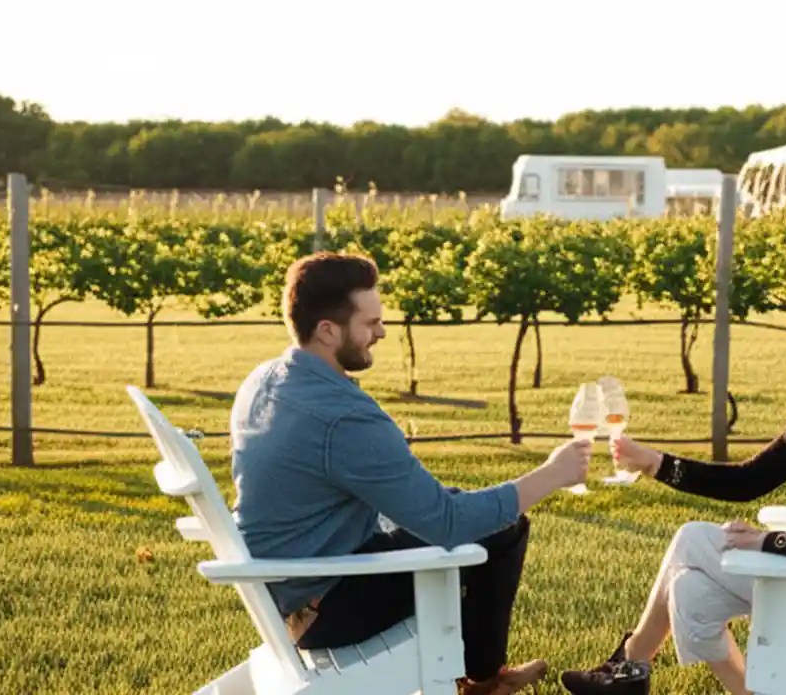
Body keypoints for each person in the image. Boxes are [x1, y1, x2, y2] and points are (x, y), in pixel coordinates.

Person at [230, 252, 590, 695]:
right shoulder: (344, 417)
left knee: (463, 505)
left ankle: (482, 675)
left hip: (288, 586)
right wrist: (554, 473)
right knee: (502, 527)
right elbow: (448, 523)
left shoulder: (265, 380)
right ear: (327, 330)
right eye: (370, 323)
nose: (382, 332)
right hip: (327, 605)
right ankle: (484, 680)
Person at [561, 303, 786, 695]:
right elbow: (746, 481)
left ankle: (631, 665)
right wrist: (656, 463)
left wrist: (768, 542)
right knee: (690, 593)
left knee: (692, 538)